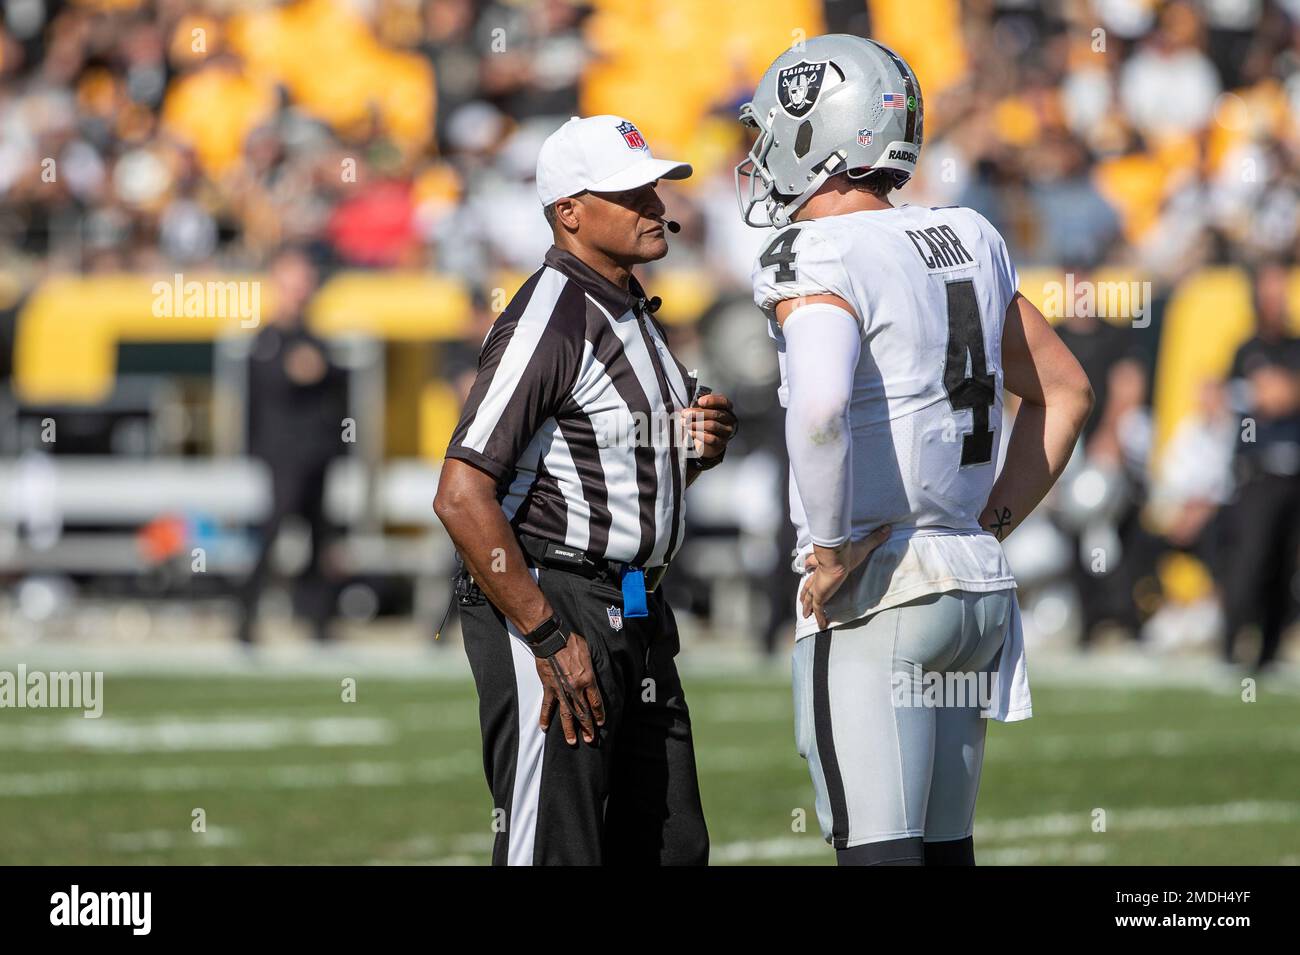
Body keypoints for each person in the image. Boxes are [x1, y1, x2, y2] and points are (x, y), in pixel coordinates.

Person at [736, 35, 1093, 865]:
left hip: (882, 589)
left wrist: (828, 550)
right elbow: (1066, 391)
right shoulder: (965, 232)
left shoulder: (815, 250)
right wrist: (987, 520)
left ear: (819, 133)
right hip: (970, 583)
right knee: (945, 853)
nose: (758, 154)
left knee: (880, 854)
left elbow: (821, 408)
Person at [433, 115, 739, 866]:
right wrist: (544, 633)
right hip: (555, 594)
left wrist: (696, 448)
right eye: (629, 192)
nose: (653, 205)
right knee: (556, 847)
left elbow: (616, 466)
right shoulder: (549, 315)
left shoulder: (628, 306)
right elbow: (461, 491)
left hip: (634, 603)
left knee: (668, 844)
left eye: (653, 188)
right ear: (569, 209)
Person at [239, 247, 347, 644]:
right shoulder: (267, 339)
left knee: (320, 537)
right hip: (283, 455)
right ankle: (246, 617)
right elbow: (274, 384)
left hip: (316, 452)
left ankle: (318, 621)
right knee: (272, 534)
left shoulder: (313, 336)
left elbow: (331, 377)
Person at [1221, 260, 1300, 670]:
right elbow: (1244, 398)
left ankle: (1268, 654)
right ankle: (1232, 648)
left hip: (1293, 473)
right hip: (1257, 472)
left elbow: (1282, 395)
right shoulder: (1245, 349)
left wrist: (1280, 391)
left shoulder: (1294, 345)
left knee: (1285, 567)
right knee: (1251, 561)